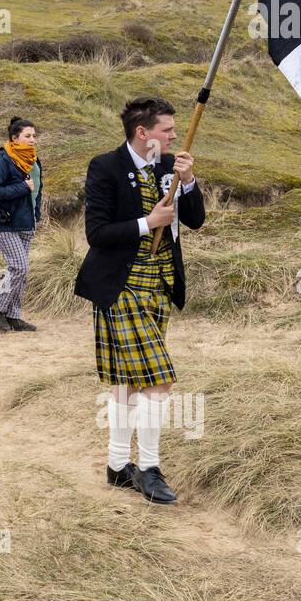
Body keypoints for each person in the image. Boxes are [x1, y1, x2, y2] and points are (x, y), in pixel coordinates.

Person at [73, 96, 205, 506]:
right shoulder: (105, 167)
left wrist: (188, 181)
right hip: (122, 286)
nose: (174, 136)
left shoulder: (169, 167)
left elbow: (196, 220)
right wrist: (148, 223)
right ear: (142, 132)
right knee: (159, 378)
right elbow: (97, 233)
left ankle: (117, 465)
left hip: (160, 285)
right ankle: (149, 468)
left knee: (130, 381)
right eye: (167, 130)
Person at [0, 117, 43, 332]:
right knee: (19, 267)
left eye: (33, 136)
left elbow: (37, 189)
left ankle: (14, 316)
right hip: (4, 222)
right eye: (27, 136)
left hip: (27, 222)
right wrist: (22, 187)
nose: (32, 140)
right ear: (14, 138)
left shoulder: (33, 159)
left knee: (20, 271)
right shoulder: (4, 160)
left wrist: (36, 213)